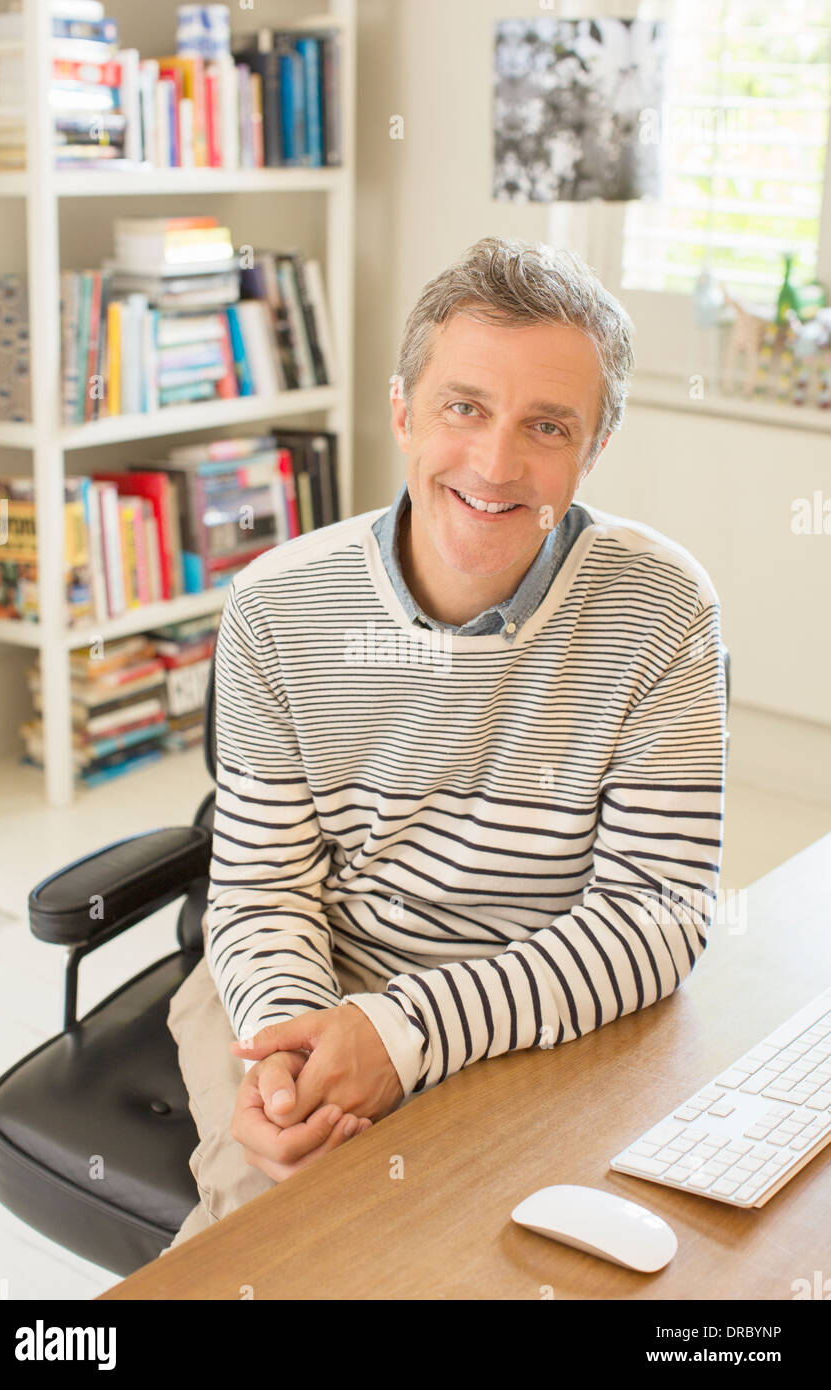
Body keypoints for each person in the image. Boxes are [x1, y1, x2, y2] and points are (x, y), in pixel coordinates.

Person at [163, 235, 726, 1251]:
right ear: (401, 411)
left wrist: (404, 1034)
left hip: (538, 1001)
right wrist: (305, 1052)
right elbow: (260, 892)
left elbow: (655, 913)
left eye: (546, 426)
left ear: (591, 449)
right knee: (276, 1235)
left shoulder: (663, 609)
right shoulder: (276, 606)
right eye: (462, 407)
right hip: (307, 978)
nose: (495, 462)